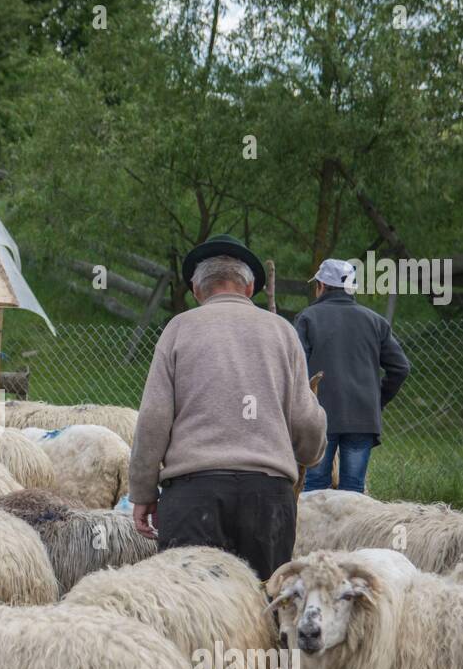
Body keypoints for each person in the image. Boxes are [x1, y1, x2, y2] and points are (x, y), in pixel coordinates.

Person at [129, 234, 326, 580]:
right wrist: (312, 454)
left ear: (196, 289)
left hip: (194, 495)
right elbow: (306, 421)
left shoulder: (178, 329)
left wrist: (143, 491)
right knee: (264, 607)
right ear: (249, 289)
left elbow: (154, 418)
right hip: (268, 499)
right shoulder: (282, 332)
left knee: (194, 610)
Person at [294, 258, 410, 494]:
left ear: (322, 286)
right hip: (363, 418)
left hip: (320, 417)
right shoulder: (375, 321)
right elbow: (400, 367)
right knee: (354, 492)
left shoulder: (308, 318)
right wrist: (377, 401)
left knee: (314, 489)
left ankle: (314, 532)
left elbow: (295, 367)